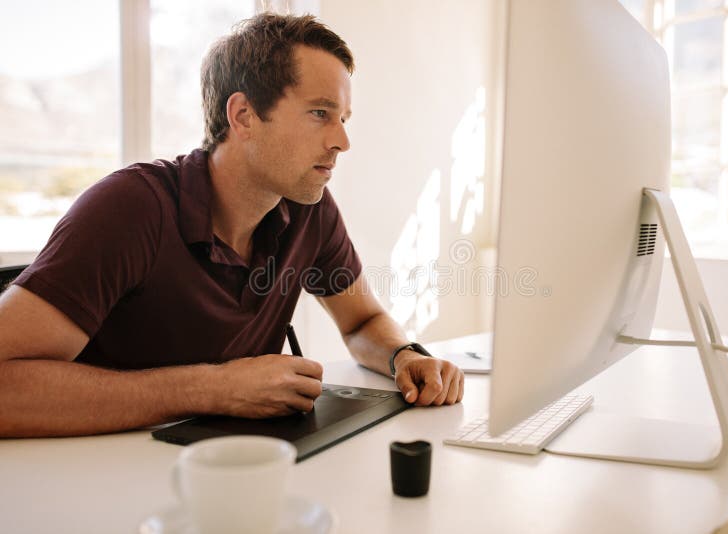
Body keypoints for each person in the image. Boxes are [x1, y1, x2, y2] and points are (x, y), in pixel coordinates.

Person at [0, 12, 464, 438]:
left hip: (232, 470)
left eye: (342, 118)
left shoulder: (310, 207)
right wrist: (212, 388)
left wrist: (403, 355)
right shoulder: (129, 209)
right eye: (321, 113)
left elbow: (362, 320)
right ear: (243, 116)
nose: (342, 140)